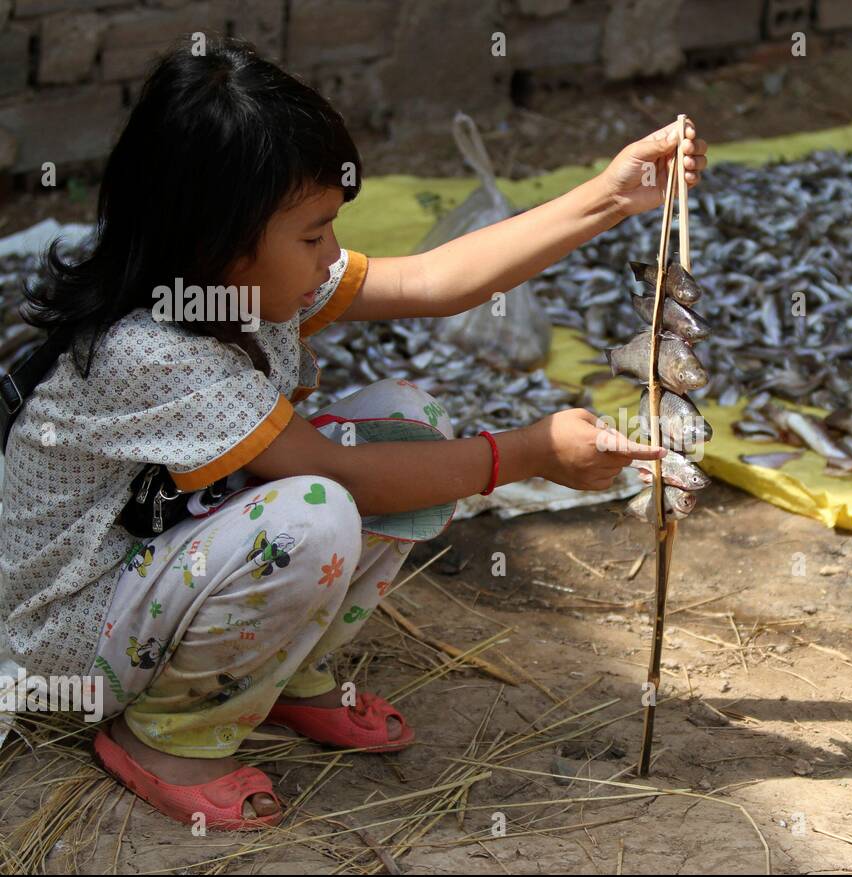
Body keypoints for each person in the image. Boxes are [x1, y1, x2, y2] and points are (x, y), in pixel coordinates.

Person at [0, 37, 707, 830]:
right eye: (312, 236)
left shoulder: (235, 280)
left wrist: (610, 197)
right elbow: (347, 480)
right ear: (218, 245)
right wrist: (527, 454)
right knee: (313, 513)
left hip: (159, 559)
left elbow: (433, 281)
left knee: (410, 419)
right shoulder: (153, 351)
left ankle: (275, 674)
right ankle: (170, 734)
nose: (331, 254)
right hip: (68, 637)